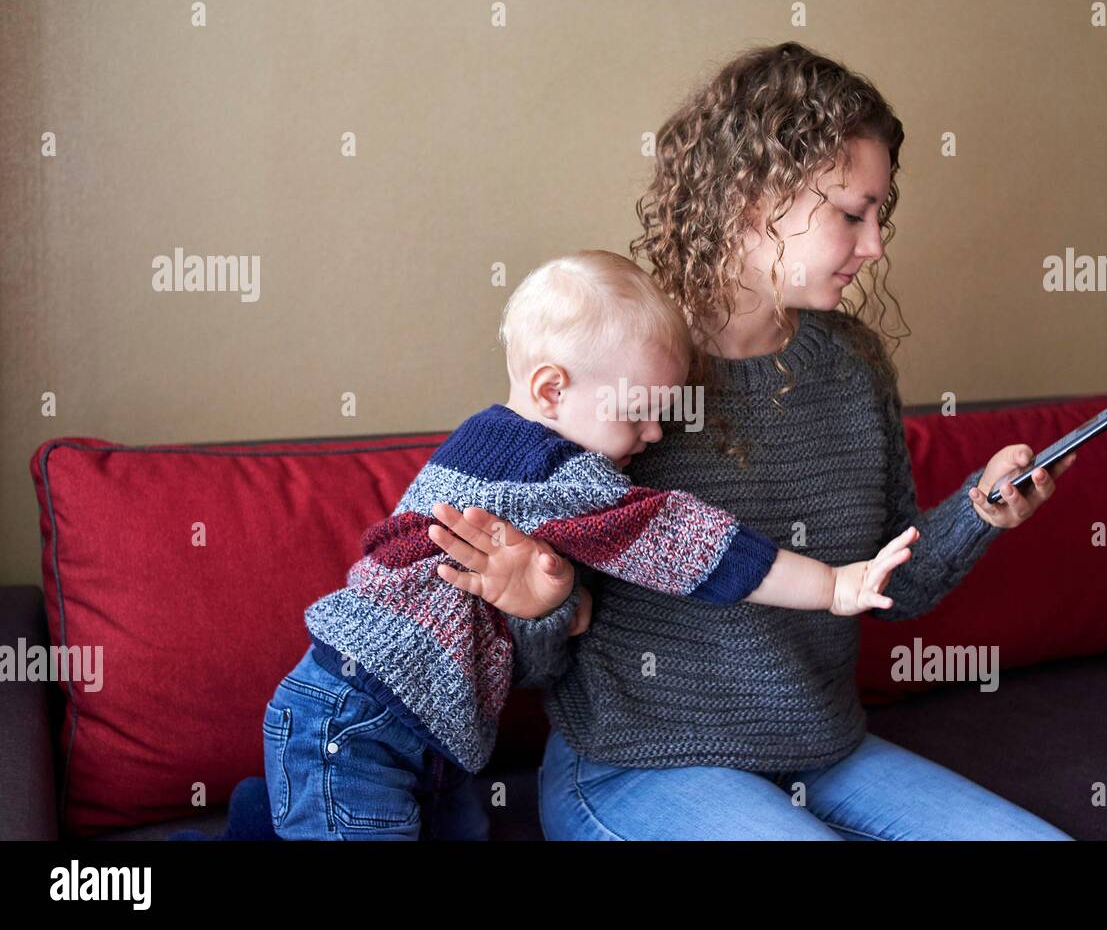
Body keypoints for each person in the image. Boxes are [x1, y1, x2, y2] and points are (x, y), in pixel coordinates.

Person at [432, 41, 1079, 840]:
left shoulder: (851, 366)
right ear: (751, 198)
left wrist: (979, 510)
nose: (875, 244)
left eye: (880, 213)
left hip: (825, 750)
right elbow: (530, 659)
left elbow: (887, 586)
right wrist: (544, 603)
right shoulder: (622, 376)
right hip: (638, 767)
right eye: (850, 212)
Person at [262, 248, 918, 840]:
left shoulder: (485, 438)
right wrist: (832, 585)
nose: (654, 434)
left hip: (408, 723)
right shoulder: (558, 475)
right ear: (552, 389)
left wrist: (560, 606)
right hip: (357, 719)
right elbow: (692, 544)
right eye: (637, 413)